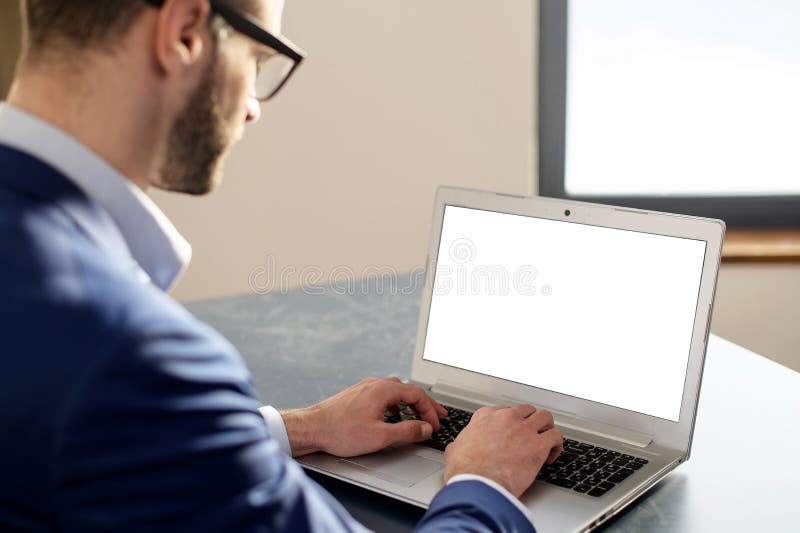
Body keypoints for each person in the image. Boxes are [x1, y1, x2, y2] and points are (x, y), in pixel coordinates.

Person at [0, 0, 564, 530]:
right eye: (260, 59)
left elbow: (107, 445)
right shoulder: (133, 356)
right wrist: (483, 480)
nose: (252, 107)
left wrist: (302, 428)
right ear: (185, 32)